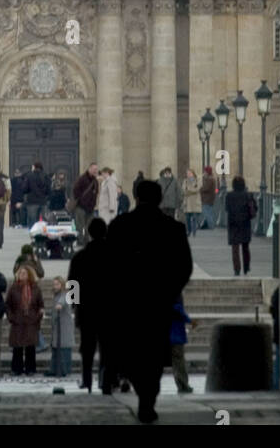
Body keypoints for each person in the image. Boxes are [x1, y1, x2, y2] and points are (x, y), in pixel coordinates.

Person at [105, 178, 193, 423]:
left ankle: (143, 394)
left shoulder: (120, 225)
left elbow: (108, 265)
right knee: (154, 354)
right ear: (160, 199)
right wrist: (169, 292)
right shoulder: (173, 228)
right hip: (159, 302)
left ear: (135, 197)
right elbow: (185, 267)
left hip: (129, 303)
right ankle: (147, 399)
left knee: (134, 350)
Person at [67, 216, 111, 393]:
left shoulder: (80, 257)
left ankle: (87, 380)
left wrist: (74, 305)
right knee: (108, 348)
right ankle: (106, 381)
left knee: (87, 348)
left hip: (87, 311)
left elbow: (73, 284)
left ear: (89, 233)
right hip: (109, 310)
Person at [5, 265, 44, 377]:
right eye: (20, 273)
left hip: (31, 321)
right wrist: (11, 317)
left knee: (30, 347)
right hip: (17, 321)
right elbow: (8, 305)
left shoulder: (36, 288)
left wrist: (37, 317)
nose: (22, 275)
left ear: (29, 275)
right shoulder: (13, 288)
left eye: (24, 273)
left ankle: (30, 369)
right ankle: (16, 369)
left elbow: (40, 305)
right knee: (17, 347)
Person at [225, 174, 255, 276]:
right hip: (245, 224)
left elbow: (227, 209)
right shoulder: (248, 195)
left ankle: (236, 269)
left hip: (233, 224)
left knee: (235, 249)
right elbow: (255, 208)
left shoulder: (229, 196)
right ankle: (246, 268)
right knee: (245, 248)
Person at [47, 275, 74, 377]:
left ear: (62, 285)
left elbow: (62, 301)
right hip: (57, 328)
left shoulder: (65, 295)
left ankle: (64, 370)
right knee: (56, 349)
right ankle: (54, 369)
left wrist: (59, 305)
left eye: (57, 284)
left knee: (63, 350)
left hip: (64, 329)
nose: (55, 286)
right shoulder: (56, 295)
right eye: (54, 284)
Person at [169, 295, 194, 393]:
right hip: (176, 335)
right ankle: (183, 385)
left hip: (173, 334)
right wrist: (190, 321)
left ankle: (181, 384)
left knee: (176, 363)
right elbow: (178, 309)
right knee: (179, 362)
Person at [72, 161, 99, 242]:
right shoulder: (82, 178)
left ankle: (87, 241)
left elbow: (96, 192)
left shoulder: (95, 181)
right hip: (81, 207)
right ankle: (80, 241)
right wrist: (81, 201)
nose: (95, 171)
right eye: (94, 169)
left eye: (96, 169)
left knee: (89, 227)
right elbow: (75, 190)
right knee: (80, 226)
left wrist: (94, 204)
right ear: (89, 169)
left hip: (90, 208)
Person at [23, 161, 50, 225]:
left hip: (32, 201)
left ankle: (33, 234)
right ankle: (42, 234)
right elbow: (49, 189)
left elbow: (25, 189)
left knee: (32, 221)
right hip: (43, 201)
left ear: (34, 167)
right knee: (44, 221)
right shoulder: (46, 175)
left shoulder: (29, 175)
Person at [182, 167, 200, 236]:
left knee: (194, 218)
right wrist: (191, 190)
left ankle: (194, 231)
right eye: (187, 173)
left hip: (195, 202)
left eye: (189, 173)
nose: (188, 174)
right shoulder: (185, 181)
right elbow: (183, 190)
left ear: (193, 173)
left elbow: (197, 189)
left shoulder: (197, 180)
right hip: (187, 202)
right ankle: (189, 231)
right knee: (188, 218)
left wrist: (189, 190)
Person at [199, 165, 216, 229]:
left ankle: (211, 226)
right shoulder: (211, 179)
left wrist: (199, 189)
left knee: (207, 213)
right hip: (210, 199)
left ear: (207, 172)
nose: (204, 173)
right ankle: (207, 225)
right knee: (209, 212)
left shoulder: (209, 179)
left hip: (207, 199)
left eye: (205, 171)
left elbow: (206, 188)